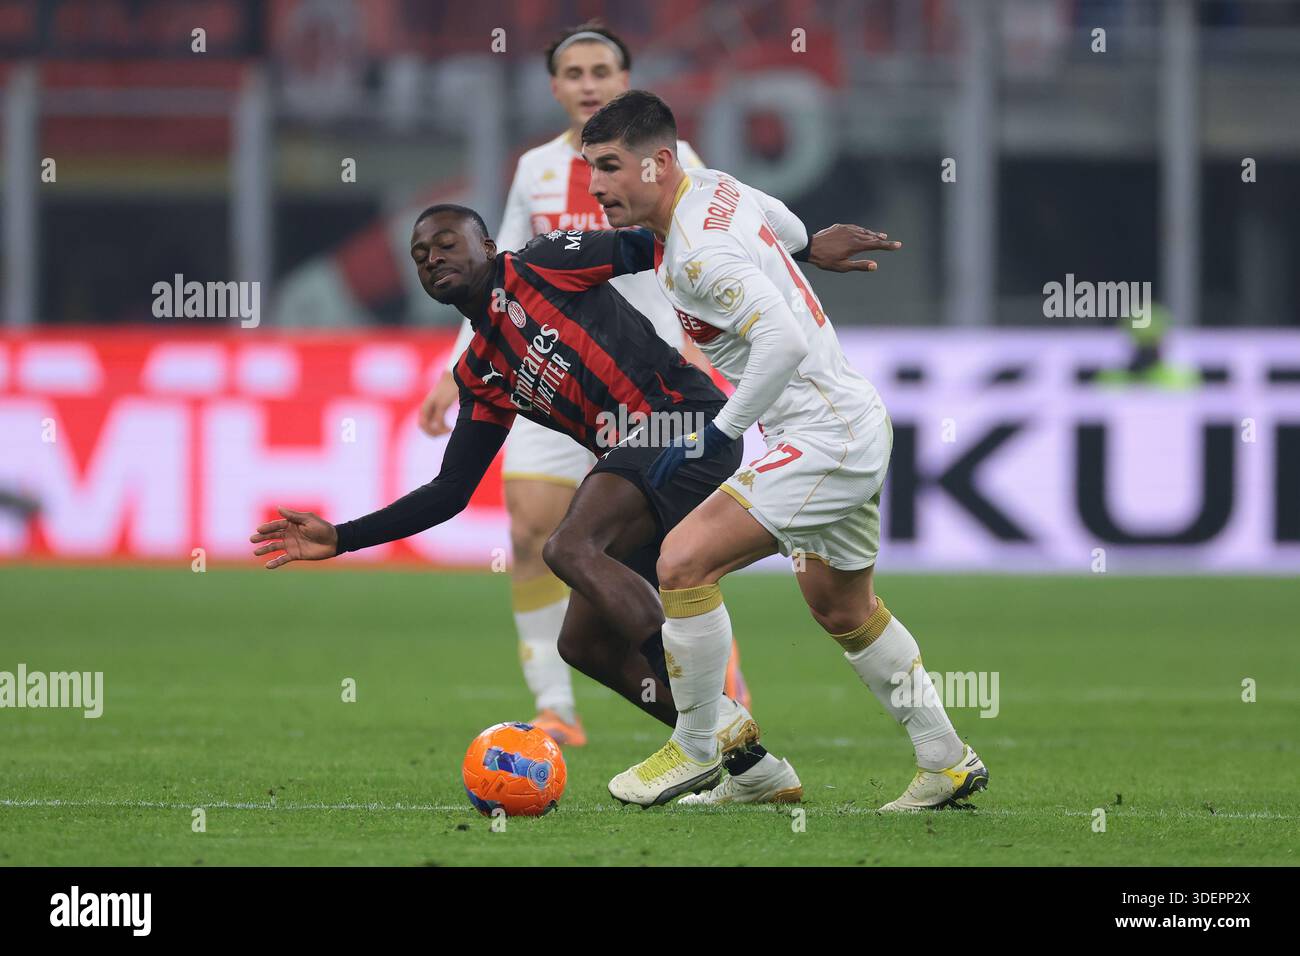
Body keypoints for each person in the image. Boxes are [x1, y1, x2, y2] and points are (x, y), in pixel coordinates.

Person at [250, 203, 889, 802]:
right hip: (641, 466)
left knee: (567, 545)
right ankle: (754, 769)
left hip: (685, 422)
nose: (432, 259)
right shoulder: (481, 370)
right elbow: (450, 492)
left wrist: (799, 249)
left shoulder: (543, 261)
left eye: (447, 243)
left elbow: (663, 242)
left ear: (488, 246)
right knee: (583, 644)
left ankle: (707, 722)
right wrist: (341, 537)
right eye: (419, 255)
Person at [580, 90, 988, 810]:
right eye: (591, 169)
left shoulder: (697, 254)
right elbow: (785, 220)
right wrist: (803, 250)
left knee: (682, 561)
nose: (597, 186)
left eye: (610, 167)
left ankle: (699, 748)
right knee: (841, 607)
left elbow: (784, 340)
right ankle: (947, 760)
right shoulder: (715, 188)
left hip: (823, 437)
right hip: (848, 420)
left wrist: (723, 430)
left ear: (659, 164)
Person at [415, 20, 732, 747]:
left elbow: (701, 247)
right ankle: (555, 702)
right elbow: (488, 274)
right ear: (555, 87)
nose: (588, 84)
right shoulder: (534, 169)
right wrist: (453, 368)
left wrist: (706, 339)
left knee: (667, 554)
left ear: (625, 80)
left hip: (647, 382)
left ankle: (712, 694)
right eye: (574, 73)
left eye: (601, 71)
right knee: (533, 530)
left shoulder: (670, 157)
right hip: (544, 371)